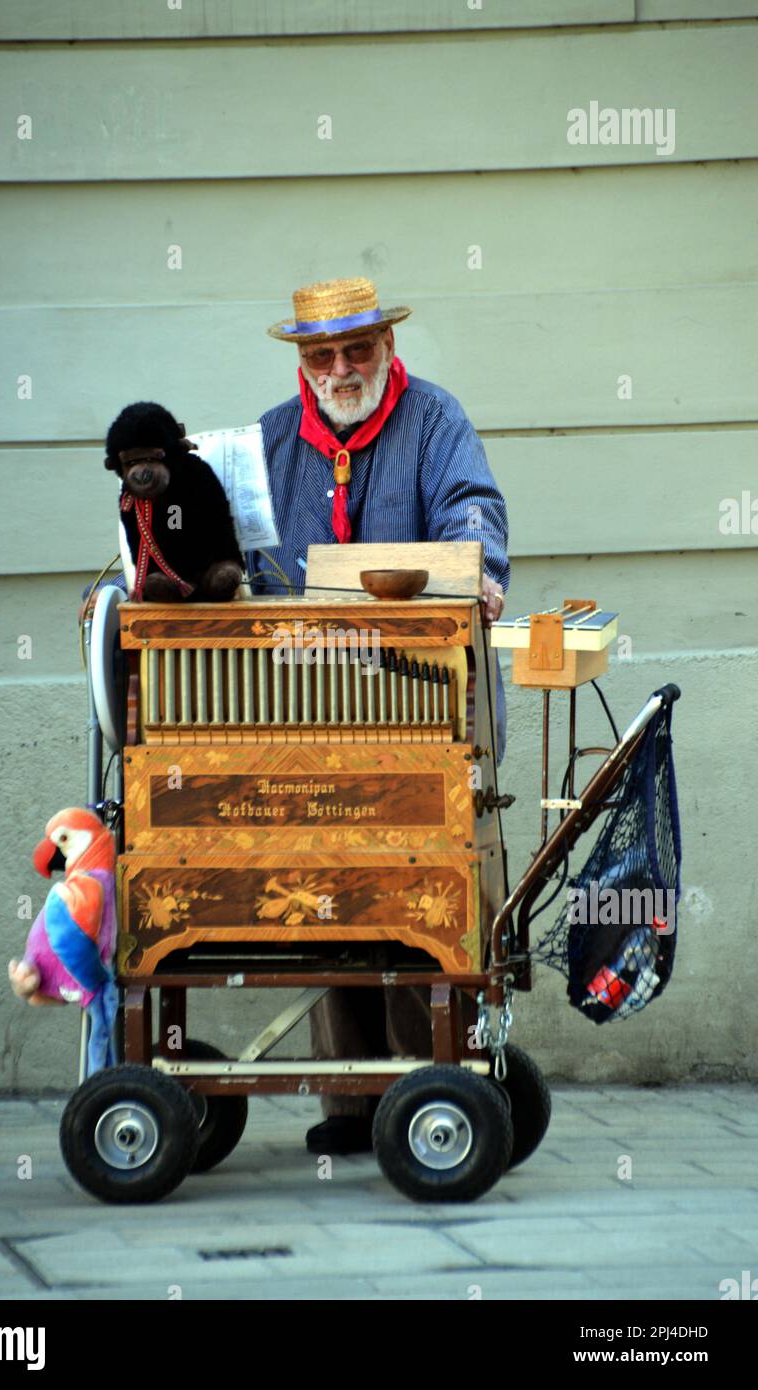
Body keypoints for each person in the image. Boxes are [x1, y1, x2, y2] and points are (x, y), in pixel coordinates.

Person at [246, 277, 510, 1155]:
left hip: (422, 698)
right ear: (302, 364)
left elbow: (475, 508)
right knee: (328, 885)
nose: (342, 368)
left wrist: (482, 565)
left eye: (357, 349)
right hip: (311, 705)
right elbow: (233, 547)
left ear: (386, 348)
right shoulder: (270, 442)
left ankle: (425, 1085)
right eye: (323, 355)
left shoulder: (434, 419)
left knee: (416, 887)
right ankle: (350, 1105)